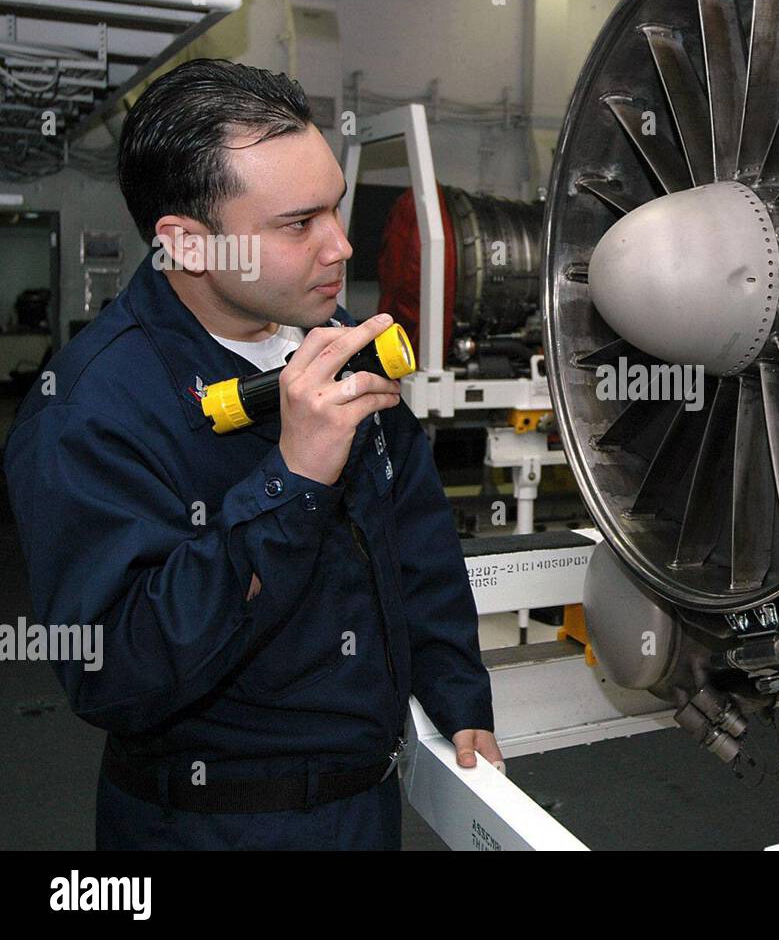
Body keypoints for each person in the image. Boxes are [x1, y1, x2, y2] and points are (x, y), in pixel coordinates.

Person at [3, 59, 502, 850]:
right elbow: (114, 673)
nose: (341, 246)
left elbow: (416, 532)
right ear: (189, 246)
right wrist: (292, 481)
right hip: (217, 826)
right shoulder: (92, 410)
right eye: (297, 224)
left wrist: (459, 690)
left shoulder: (329, 336)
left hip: (364, 808)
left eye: (334, 208)